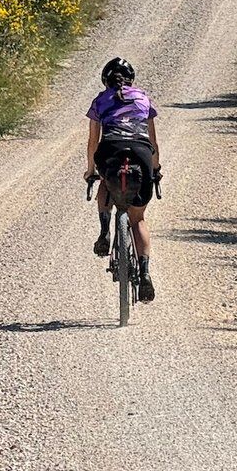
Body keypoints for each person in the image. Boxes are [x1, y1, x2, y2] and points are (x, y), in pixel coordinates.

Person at [85, 57, 161, 301]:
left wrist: (90, 171)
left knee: (106, 181)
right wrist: (155, 168)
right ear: (131, 79)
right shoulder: (143, 99)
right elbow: (153, 141)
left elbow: (92, 141)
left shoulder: (100, 100)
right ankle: (146, 272)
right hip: (140, 152)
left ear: (106, 80)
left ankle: (105, 231)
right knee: (138, 218)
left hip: (111, 149)